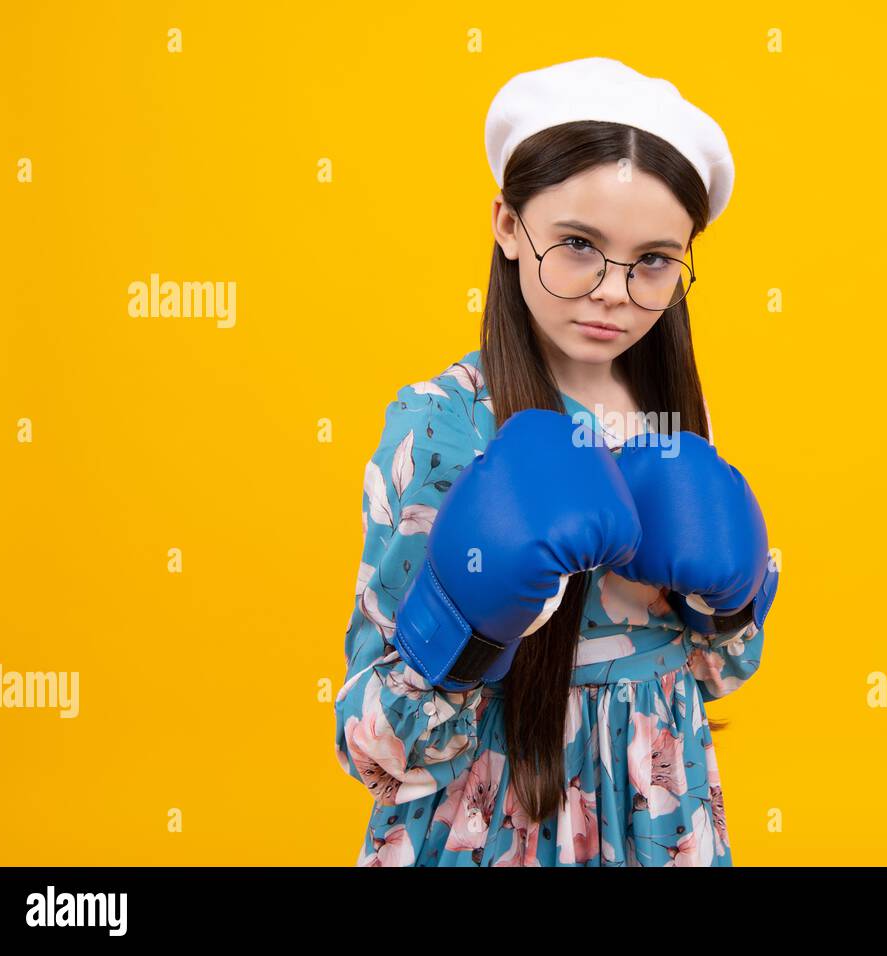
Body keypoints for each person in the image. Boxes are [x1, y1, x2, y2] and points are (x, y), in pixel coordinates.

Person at [333, 56, 779, 866]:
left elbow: (721, 672)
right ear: (508, 225)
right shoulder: (444, 425)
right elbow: (374, 748)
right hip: (500, 819)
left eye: (653, 261)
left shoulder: (676, 418)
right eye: (578, 245)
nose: (614, 290)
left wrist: (730, 599)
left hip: (660, 813)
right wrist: (464, 624)